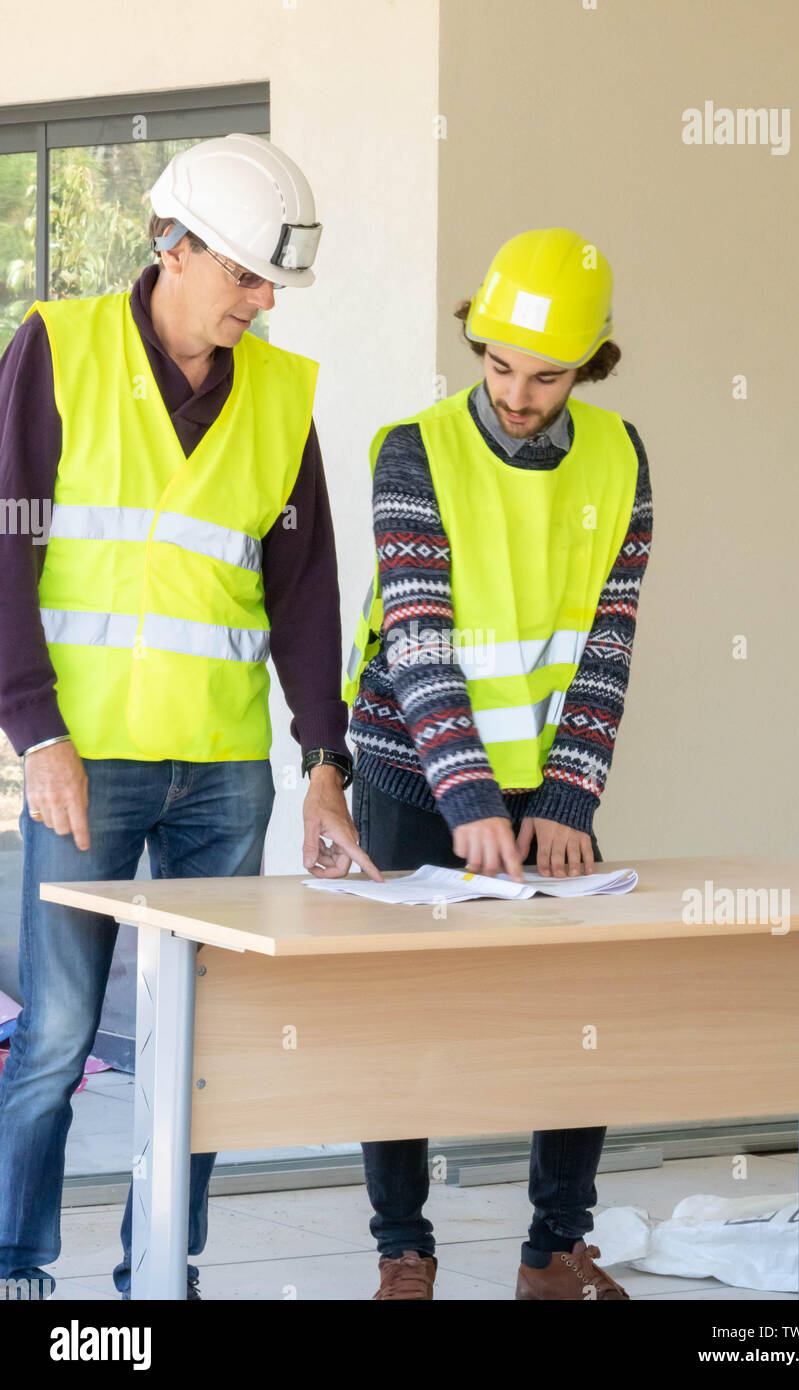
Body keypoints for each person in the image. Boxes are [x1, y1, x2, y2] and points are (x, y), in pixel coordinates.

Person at [0, 133, 380, 1301]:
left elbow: (304, 588)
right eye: (249, 278)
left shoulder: (277, 391)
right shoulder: (55, 347)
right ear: (178, 247)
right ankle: (16, 1267)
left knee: (195, 1056)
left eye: (274, 284)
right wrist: (33, 728)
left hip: (222, 772)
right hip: (87, 762)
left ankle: (160, 1278)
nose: (264, 303)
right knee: (58, 1040)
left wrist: (325, 764)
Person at [344, 228, 653, 1299]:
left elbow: (607, 641)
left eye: (545, 375)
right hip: (408, 772)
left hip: (543, 789)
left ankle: (553, 1250)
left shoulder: (620, 458)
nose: (517, 396)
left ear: (593, 365)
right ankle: (404, 1252)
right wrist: (466, 798)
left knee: (581, 1014)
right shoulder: (411, 449)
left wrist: (567, 793)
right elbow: (420, 635)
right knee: (404, 1023)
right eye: (498, 366)